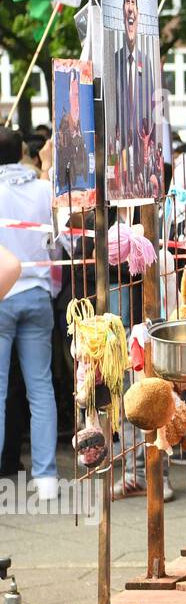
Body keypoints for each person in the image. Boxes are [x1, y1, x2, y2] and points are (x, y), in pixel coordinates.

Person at [0, 129, 57, 499]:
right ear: (23, 151)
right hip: (37, 292)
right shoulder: (42, 188)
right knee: (41, 387)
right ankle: (47, 477)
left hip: (3, 294)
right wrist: (48, 168)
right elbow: (59, 237)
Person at [111, 0, 158, 200]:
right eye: (126, 1)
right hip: (118, 170)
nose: (130, 8)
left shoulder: (146, 62)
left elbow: (152, 115)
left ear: (139, 10)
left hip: (142, 171)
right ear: (121, 9)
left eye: (133, 1)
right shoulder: (112, 62)